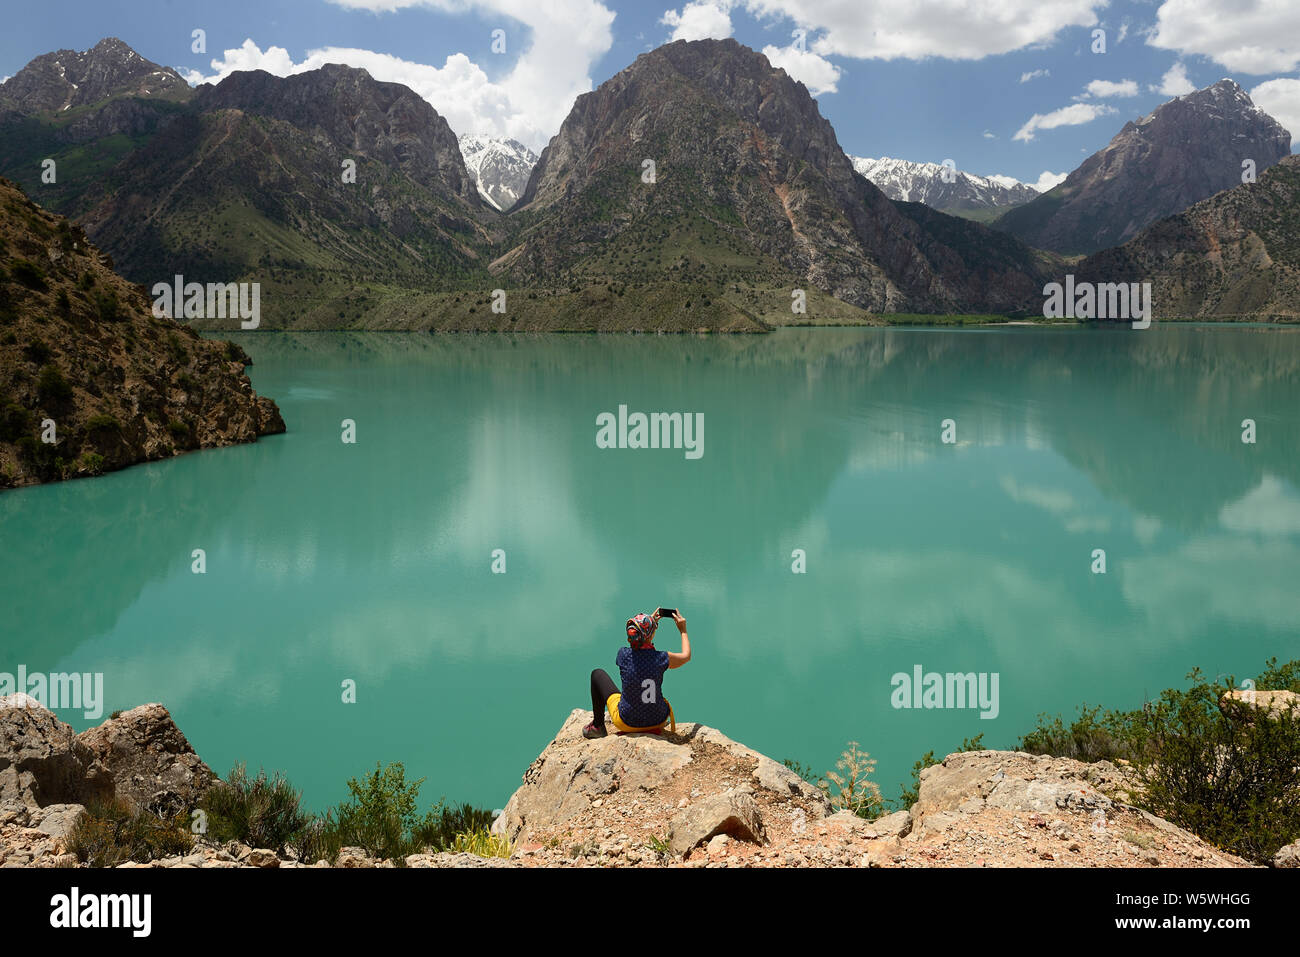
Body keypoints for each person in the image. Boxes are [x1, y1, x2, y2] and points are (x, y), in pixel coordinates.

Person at [584, 608, 690, 738]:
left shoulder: (623, 655)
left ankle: (598, 727)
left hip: (627, 722)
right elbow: (686, 656)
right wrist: (683, 630)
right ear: (651, 635)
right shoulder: (661, 658)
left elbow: (639, 643)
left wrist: (648, 624)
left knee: (597, 674)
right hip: (658, 720)